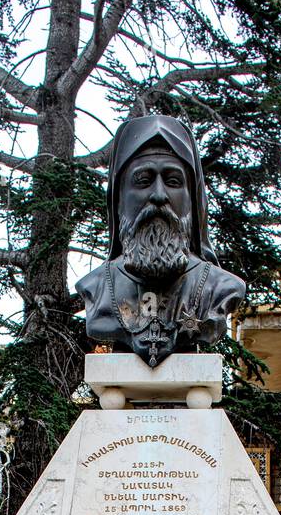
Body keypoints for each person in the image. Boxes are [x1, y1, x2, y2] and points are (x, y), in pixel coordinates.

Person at [77, 114, 245, 367]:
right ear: (119, 198)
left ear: (192, 198)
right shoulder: (96, 287)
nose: (158, 195)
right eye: (143, 181)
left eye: (173, 181)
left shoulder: (221, 289)